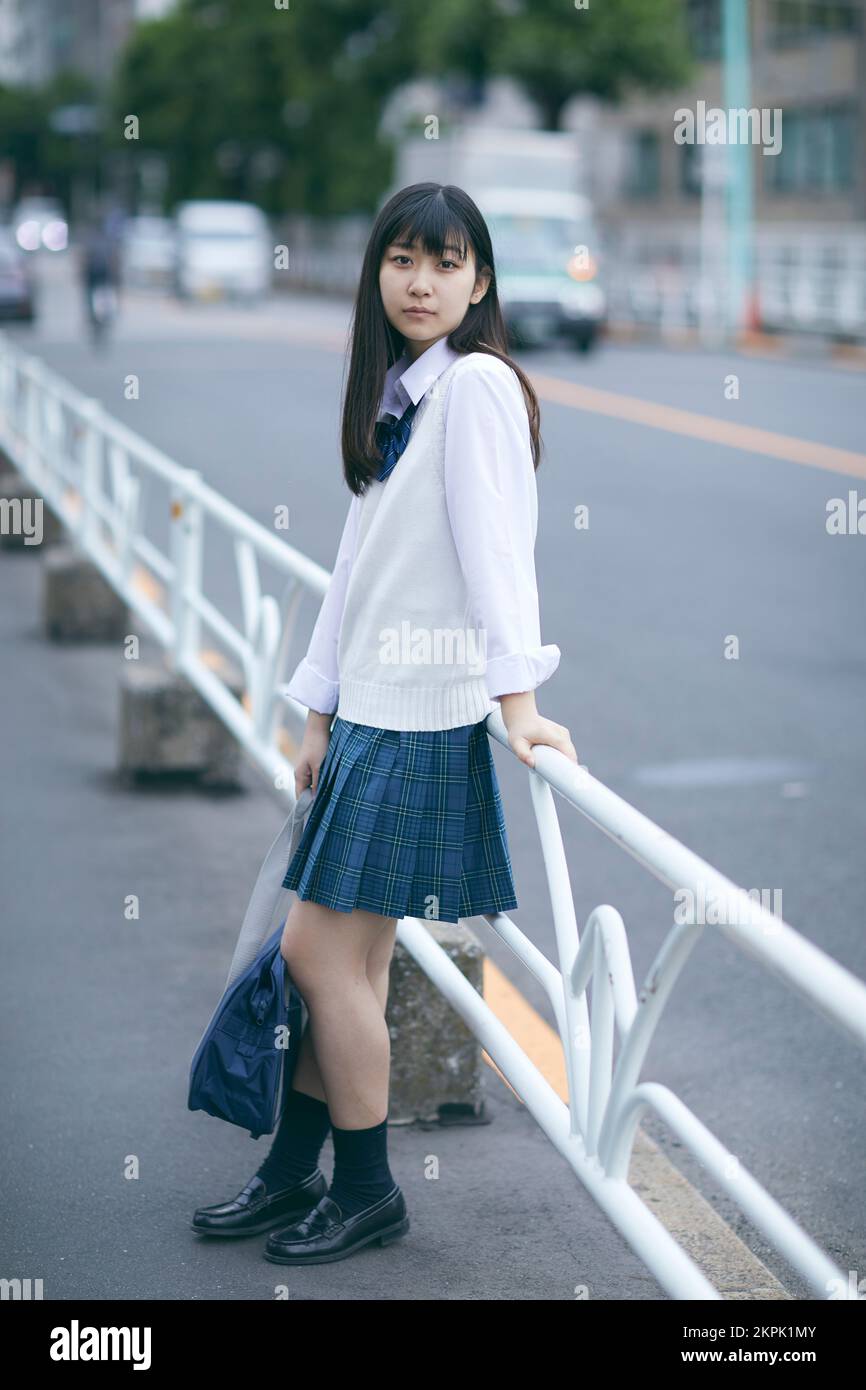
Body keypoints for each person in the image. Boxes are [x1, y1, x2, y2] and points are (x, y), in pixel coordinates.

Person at [191, 182, 578, 1265]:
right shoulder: (407, 394)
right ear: (378, 273)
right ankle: (293, 1174)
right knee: (340, 966)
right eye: (403, 260)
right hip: (371, 716)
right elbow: (354, 570)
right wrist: (318, 708)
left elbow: (498, 560)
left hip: (421, 722)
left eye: (445, 264)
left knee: (320, 957)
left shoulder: (479, 390)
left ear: (480, 282)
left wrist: (521, 706)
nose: (420, 281)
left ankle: (363, 1190)